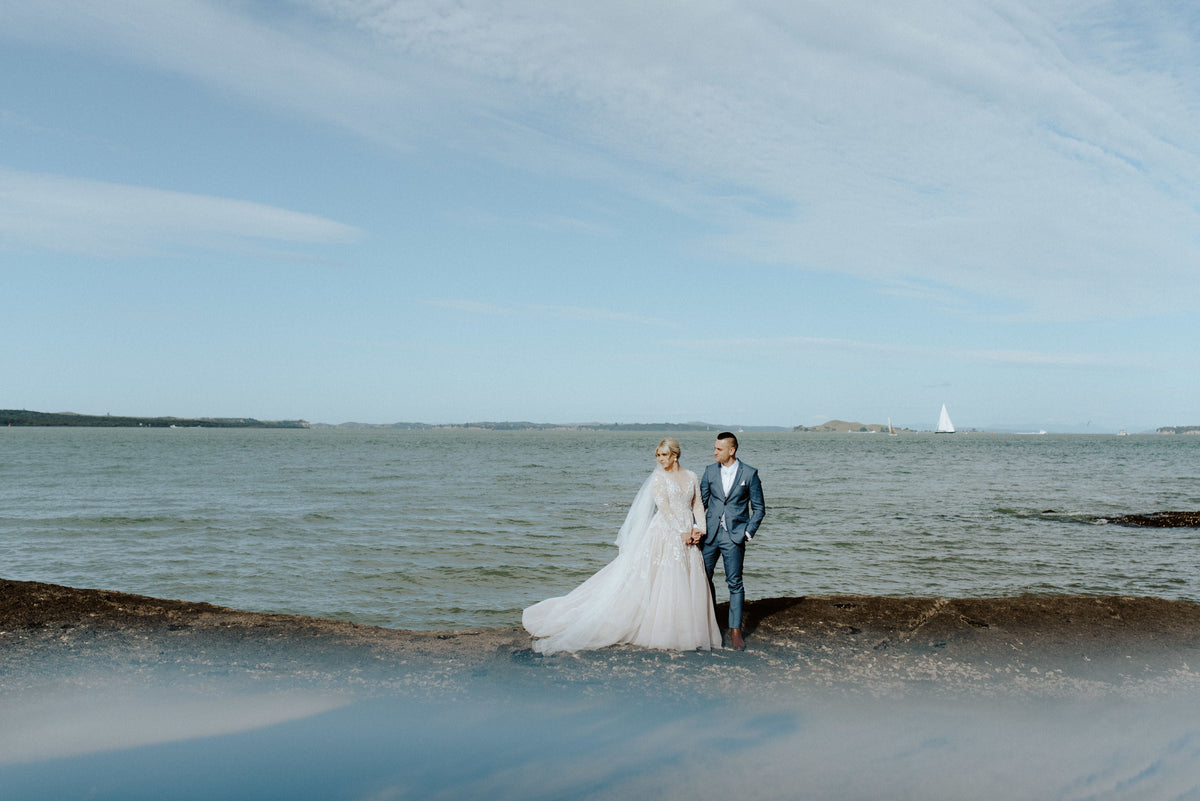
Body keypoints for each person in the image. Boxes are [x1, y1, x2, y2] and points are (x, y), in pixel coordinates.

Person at [523, 438, 722, 654]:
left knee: (687, 579)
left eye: (664, 455)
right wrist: (681, 531)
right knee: (664, 579)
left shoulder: (691, 476)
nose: (660, 459)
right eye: (658, 455)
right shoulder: (658, 478)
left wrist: (698, 530)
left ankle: (686, 630)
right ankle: (662, 628)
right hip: (666, 531)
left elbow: (698, 505)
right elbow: (663, 507)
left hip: (688, 534)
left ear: (675, 455)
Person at [700, 432, 765, 651]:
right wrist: (696, 528)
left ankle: (735, 631)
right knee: (703, 578)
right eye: (715, 448)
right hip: (709, 535)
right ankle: (709, 624)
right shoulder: (709, 471)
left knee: (735, 583)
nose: (715, 452)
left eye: (719, 449)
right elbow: (700, 504)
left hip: (735, 535)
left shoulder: (750, 473)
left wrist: (748, 532)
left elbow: (759, 508)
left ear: (732, 450)